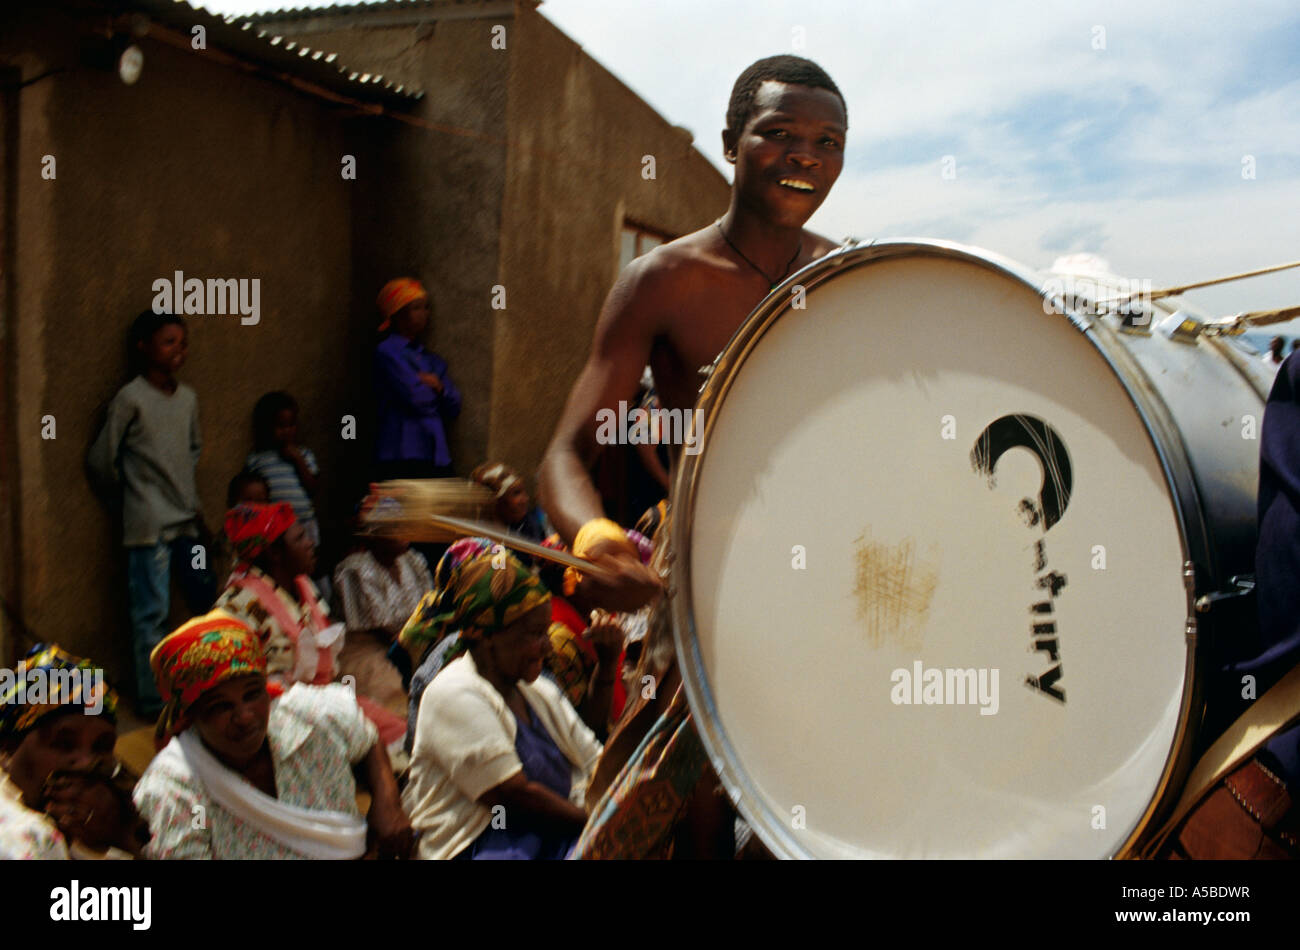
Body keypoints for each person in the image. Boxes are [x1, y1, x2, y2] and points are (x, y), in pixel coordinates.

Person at [538, 55, 847, 858]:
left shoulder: (848, 276)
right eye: (778, 134)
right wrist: (597, 543)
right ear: (730, 143)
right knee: (690, 797)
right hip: (705, 571)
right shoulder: (663, 281)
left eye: (827, 141)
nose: (805, 156)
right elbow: (568, 452)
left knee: (827, 792)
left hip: (825, 574)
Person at [132, 610, 414, 859]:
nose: (244, 716)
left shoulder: (313, 716)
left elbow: (366, 737)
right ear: (190, 716)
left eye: (252, 694)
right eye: (221, 706)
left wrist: (387, 802)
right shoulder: (175, 789)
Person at [401, 540, 602, 860]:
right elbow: (513, 798)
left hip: (553, 836)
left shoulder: (539, 692)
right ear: (488, 636)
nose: (547, 647)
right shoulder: (452, 693)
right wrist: (599, 824)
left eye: (545, 632)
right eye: (534, 634)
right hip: (483, 847)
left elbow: (597, 762)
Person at [87, 309, 216, 716]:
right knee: (151, 614)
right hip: (148, 527)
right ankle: (151, 701)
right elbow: (101, 459)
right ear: (144, 347)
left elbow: (192, 452)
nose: (179, 349)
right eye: (168, 341)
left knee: (204, 598)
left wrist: (193, 507)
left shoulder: (188, 398)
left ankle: (207, 684)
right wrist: (129, 497)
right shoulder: (131, 399)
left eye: (183, 341)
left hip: (186, 522)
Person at [0, 644, 146, 859]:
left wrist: (126, 836)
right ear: (7, 749)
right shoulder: (20, 840)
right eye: (63, 744)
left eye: (101, 747)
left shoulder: (103, 824)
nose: (87, 763)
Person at [333, 496, 432, 718]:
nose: (403, 529)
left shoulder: (413, 560)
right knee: (392, 693)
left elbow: (429, 605)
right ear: (373, 533)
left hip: (411, 640)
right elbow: (379, 631)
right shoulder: (353, 570)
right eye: (393, 525)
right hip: (368, 649)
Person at [374, 278, 462, 480]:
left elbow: (454, 405)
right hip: (402, 451)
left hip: (435, 452)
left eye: (426, 308)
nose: (425, 314)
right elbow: (417, 399)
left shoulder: (430, 359)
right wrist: (435, 393)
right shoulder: (388, 352)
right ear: (398, 315)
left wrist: (439, 387)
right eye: (417, 308)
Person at [245, 391, 322, 549]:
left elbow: (313, 488)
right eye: (281, 426)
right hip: (275, 528)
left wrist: (298, 460)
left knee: (308, 564)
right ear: (266, 427)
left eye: (291, 425)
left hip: (304, 523)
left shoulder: (305, 454)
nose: (287, 431)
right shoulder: (257, 459)